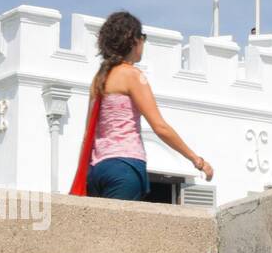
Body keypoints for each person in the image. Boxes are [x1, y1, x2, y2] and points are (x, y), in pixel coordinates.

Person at [77, 11, 213, 200]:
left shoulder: (98, 79)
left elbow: (87, 136)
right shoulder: (132, 75)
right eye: (143, 37)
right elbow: (160, 127)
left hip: (97, 170)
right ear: (133, 40)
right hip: (125, 167)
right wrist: (197, 160)